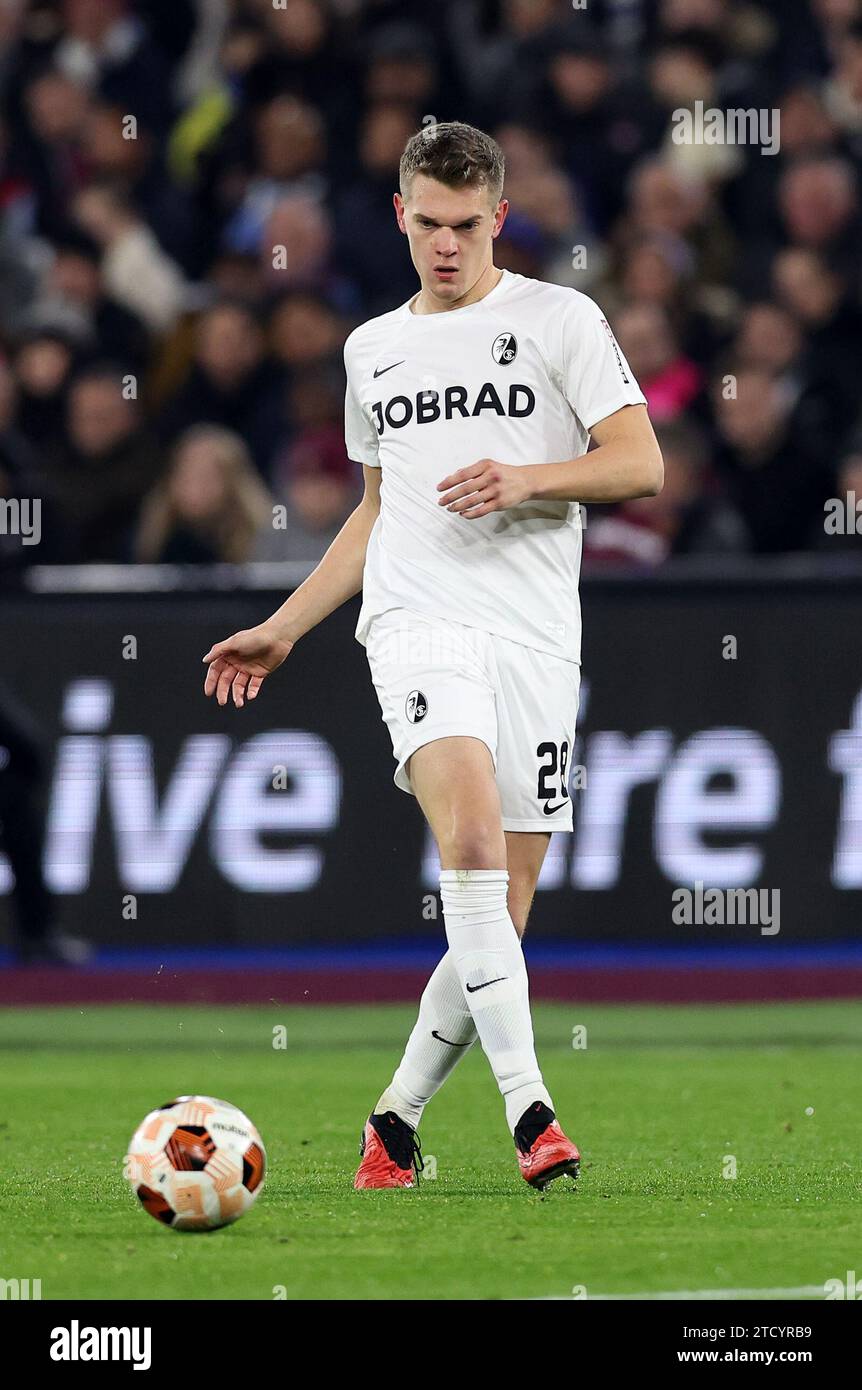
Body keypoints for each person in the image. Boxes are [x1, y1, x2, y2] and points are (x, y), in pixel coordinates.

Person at [202, 121, 662, 1192]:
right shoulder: (373, 348)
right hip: (415, 623)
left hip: (538, 637)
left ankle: (395, 1120)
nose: (444, 246)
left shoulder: (560, 319)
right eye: (425, 224)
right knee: (465, 838)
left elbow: (638, 462)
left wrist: (528, 479)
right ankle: (531, 1112)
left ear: (497, 218)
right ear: (401, 216)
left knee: (497, 911)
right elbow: (377, 511)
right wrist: (288, 622)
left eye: (464, 226)